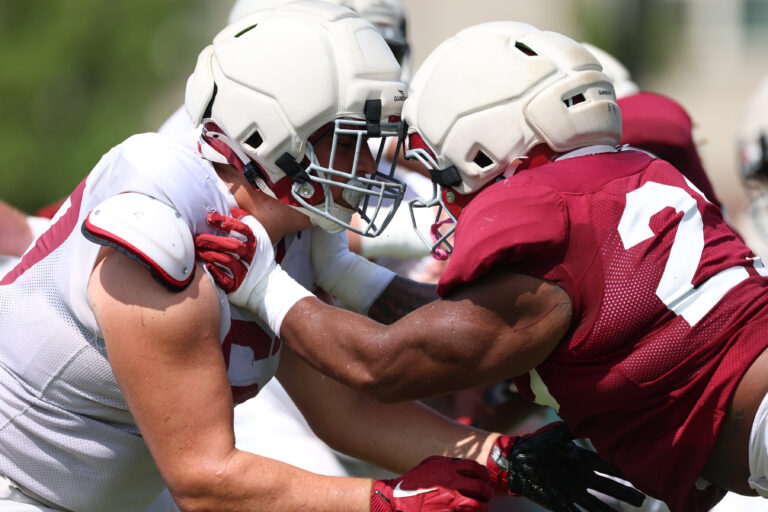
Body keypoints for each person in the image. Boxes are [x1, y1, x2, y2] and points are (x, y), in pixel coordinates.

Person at [0, 5, 643, 512]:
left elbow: (348, 410)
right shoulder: (165, 229)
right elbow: (206, 478)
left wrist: (504, 458)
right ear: (272, 133)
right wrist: (386, 502)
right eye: (351, 139)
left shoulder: (286, 228)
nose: (370, 164)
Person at [196, 21, 768, 512]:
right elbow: (483, 325)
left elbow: (385, 366)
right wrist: (347, 275)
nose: (442, 193)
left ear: (482, 142)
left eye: (441, 169)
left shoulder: (549, 220)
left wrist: (264, 284)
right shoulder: (634, 175)